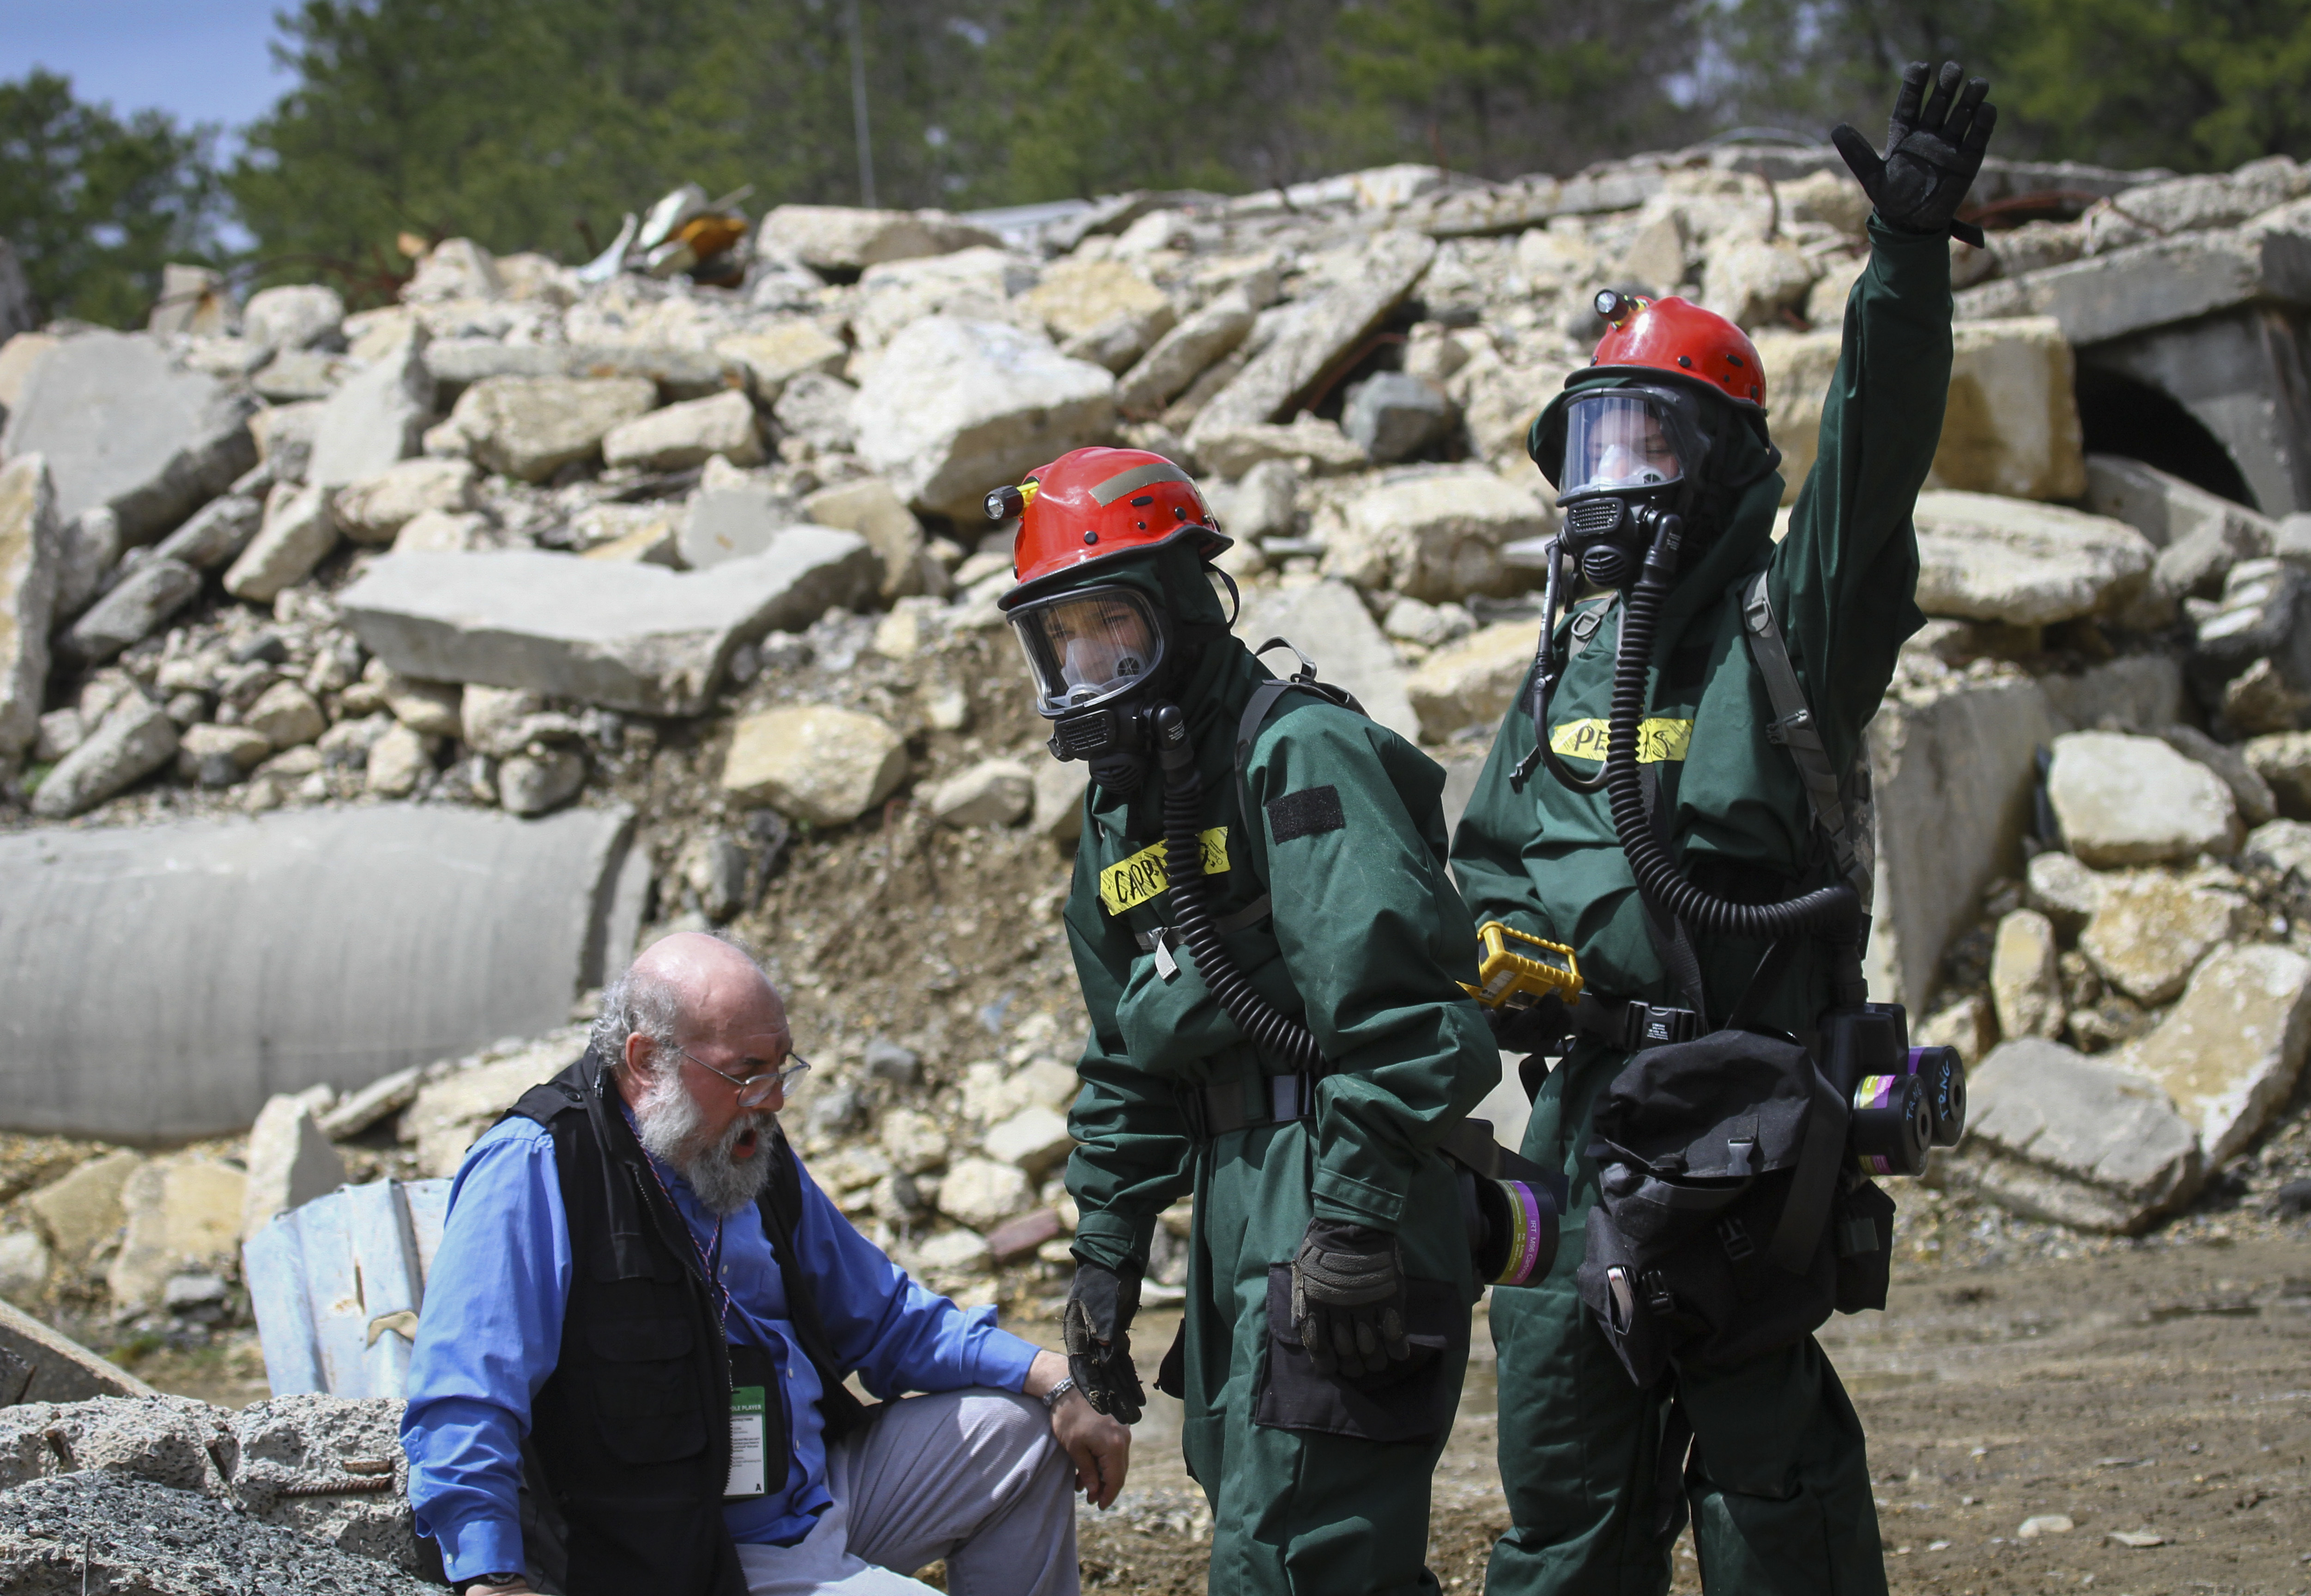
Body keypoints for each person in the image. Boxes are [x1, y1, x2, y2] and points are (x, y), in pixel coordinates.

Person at [1452, 62, 1997, 1596]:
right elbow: (1490, 854)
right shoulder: (1560, 667)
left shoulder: (1786, 626)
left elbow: (1874, 466)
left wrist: (1901, 261)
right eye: (1592, 445)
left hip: (1747, 1128)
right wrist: (1502, 954)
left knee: (1772, 1490)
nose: (1610, 481)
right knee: (1559, 1470)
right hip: (1576, 1124)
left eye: (1647, 443)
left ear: (1721, 467)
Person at [986, 445, 1500, 1594]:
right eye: (1059, 637)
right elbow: (1124, 1057)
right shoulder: (1120, 818)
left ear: (1178, 606)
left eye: (1108, 622)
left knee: (1293, 1559)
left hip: (1336, 1179)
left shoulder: (1295, 751)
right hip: (1234, 1205)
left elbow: (1406, 1013)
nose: (1084, 662)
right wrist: (1108, 1259)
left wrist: (1357, 1219)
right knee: (1294, 1535)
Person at [402, 931, 1128, 1596]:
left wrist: (1054, 1378)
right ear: (647, 1062)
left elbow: (885, 1321)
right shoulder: (539, 1169)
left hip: (816, 1498)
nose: (774, 1099)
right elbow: (464, 1399)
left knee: (1025, 1434)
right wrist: (493, 1578)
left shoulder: (746, 1150)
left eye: (783, 1068)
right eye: (748, 1072)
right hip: (686, 1556)